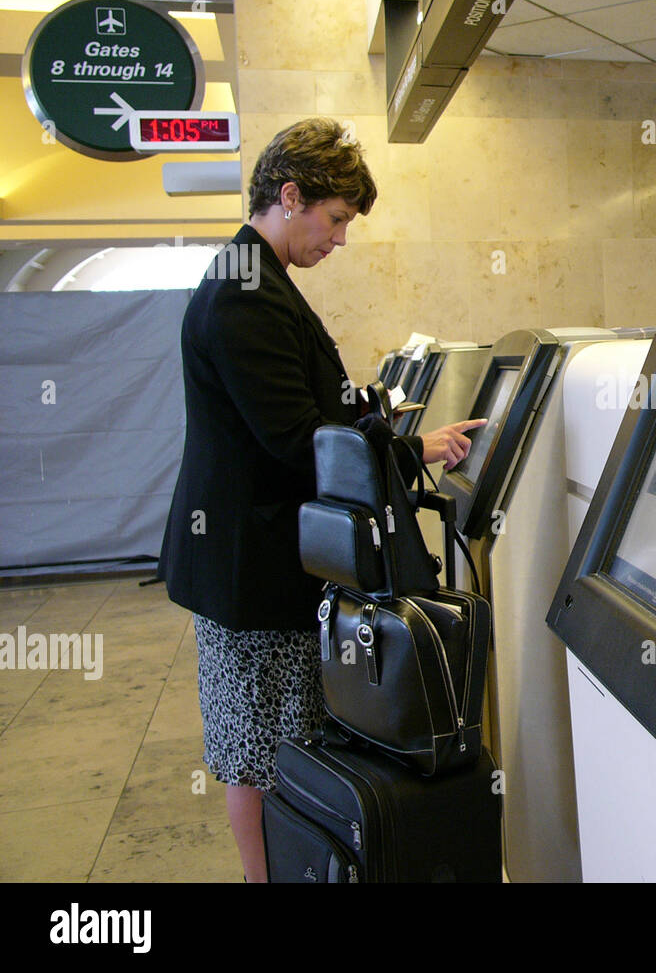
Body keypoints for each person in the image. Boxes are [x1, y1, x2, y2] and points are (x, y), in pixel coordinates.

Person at [158, 118, 482, 882]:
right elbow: (297, 440)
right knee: (260, 748)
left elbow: (309, 409)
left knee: (272, 737)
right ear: (291, 195)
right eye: (334, 219)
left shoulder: (256, 277)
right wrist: (414, 451)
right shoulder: (246, 292)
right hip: (250, 568)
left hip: (255, 556)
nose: (338, 240)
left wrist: (370, 416)